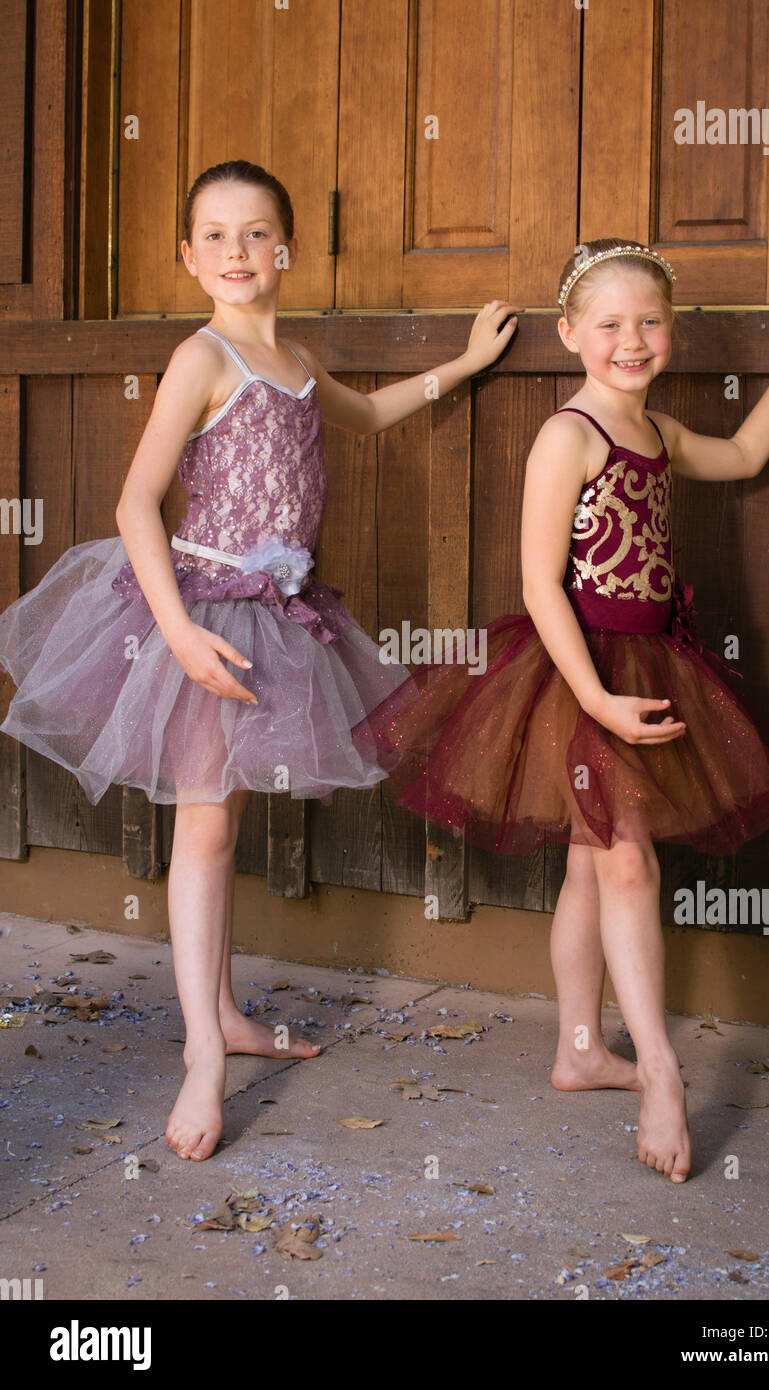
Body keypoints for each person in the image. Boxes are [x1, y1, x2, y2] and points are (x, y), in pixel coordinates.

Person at [0, 160, 521, 1161]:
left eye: (257, 234)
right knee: (203, 829)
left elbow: (363, 416)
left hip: (277, 615)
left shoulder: (294, 355)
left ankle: (227, 1014)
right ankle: (203, 1051)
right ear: (187, 257)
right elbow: (131, 505)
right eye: (217, 236)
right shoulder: (200, 358)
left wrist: (459, 365)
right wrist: (182, 633)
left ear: (286, 248)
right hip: (196, 610)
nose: (239, 253)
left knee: (224, 821)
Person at [352, 238, 769, 1183]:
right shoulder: (569, 434)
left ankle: (580, 1048)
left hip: (652, 662)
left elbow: (744, 452)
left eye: (651, 322)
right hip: (576, 673)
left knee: (591, 868)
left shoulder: (657, 430)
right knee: (625, 861)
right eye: (612, 324)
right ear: (572, 333)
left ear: (672, 332)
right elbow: (542, 585)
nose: (633, 339)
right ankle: (662, 1071)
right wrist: (597, 701)